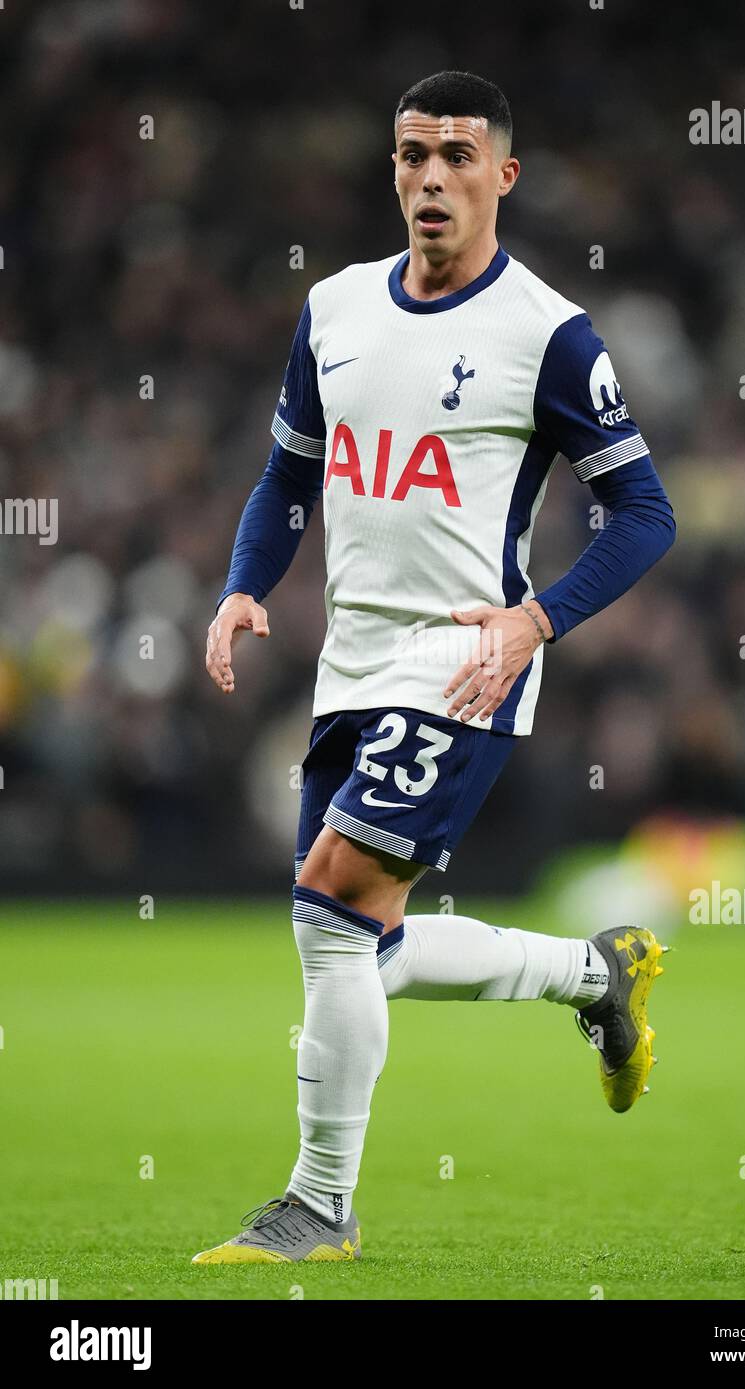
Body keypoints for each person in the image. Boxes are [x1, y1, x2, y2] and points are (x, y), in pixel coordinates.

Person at [194, 70, 675, 1265]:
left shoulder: (548, 335)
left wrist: (535, 622)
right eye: (411, 155)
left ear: (503, 175)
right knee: (372, 946)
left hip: (465, 664)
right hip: (352, 667)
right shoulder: (336, 309)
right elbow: (286, 475)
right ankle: (596, 975)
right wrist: (246, 582)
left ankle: (318, 1207)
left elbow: (644, 514)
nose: (429, 179)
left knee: (326, 909)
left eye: (457, 156)